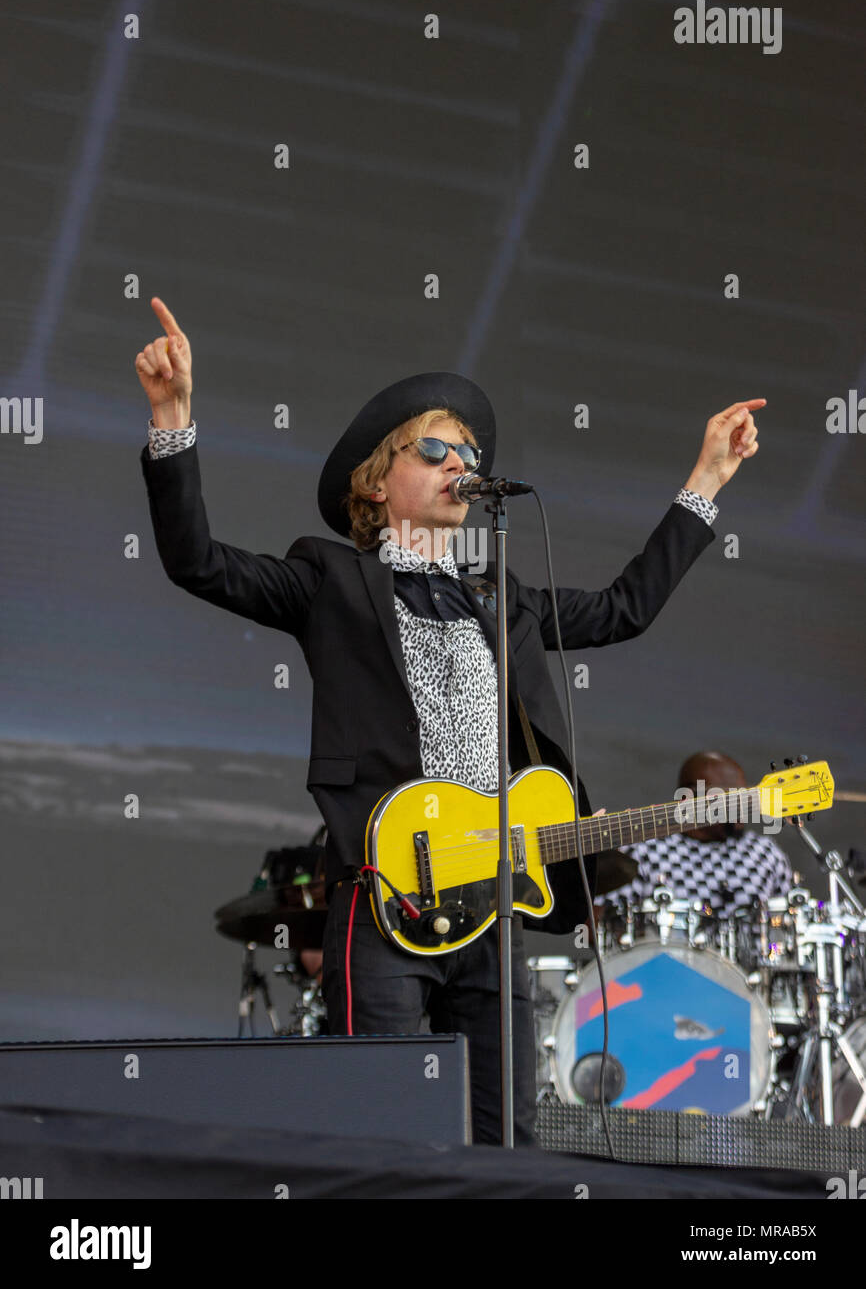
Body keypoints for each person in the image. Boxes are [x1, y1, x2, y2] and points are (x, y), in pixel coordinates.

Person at [135, 296, 764, 1144]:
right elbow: (198, 564)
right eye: (435, 448)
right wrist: (173, 419)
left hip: (492, 906)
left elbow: (625, 609)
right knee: (393, 1128)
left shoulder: (501, 601)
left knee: (507, 1137)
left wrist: (705, 483)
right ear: (376, 476)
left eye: (470, 452)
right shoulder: (328, 577)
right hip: (386, 893)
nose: (460, 461)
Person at [596, 750, 794, 918]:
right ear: (687, 799)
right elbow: (600, 924)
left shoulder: (765, 853)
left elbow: (788, 923)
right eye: (730, 798)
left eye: (745, 796)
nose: (742, 807)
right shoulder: (645, 849)